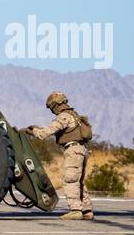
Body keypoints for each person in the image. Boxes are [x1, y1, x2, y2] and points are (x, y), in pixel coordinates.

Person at [26, 91, 94, 221]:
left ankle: (75, 210)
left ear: (56, 104)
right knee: (79, 181)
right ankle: (87, 210)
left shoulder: (64, 116)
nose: (52, 111)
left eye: (52, 107)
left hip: (73, 150)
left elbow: (46, 133)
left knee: (70, 180)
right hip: (82, 150)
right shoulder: (75, 115)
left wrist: (33, 131)